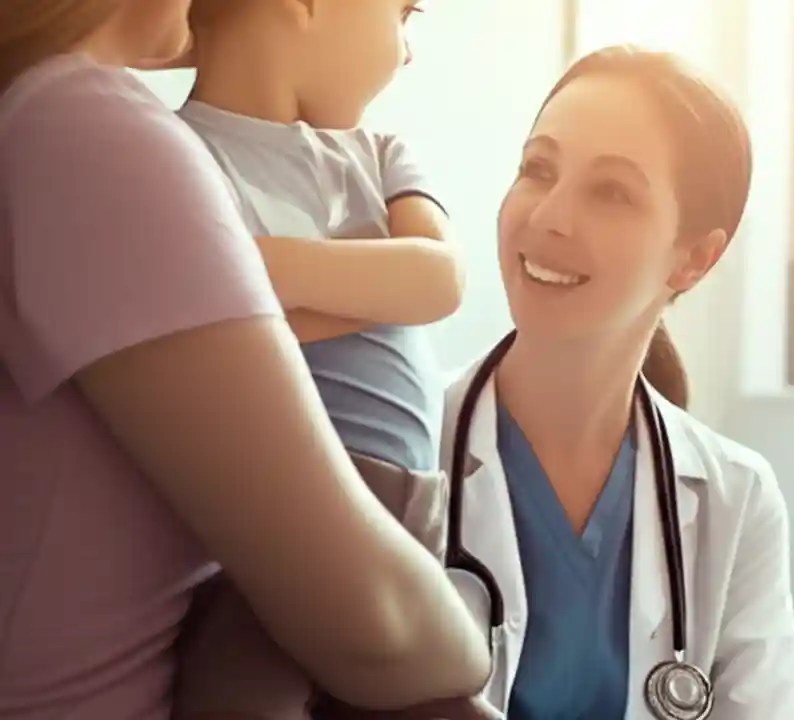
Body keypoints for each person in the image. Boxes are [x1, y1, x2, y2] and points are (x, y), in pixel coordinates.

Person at [0, 2, 488, 718]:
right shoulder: (89, 129)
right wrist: (478, 646)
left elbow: (438, 277)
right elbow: (375, 625)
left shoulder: (41, 119)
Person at [353, 45, 794, 719]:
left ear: (694, 259)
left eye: (611, 192)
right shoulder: (395, 453)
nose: (549, 217)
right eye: (538, 169)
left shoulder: (735, 502)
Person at [168, 1, 491, 717]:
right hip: (273, 517)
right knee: (248, 692)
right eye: (403, 13)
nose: (408, 52)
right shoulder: (172, 162)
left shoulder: (381, 154)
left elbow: (438, 279)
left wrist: (261, 266)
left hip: (411, 514)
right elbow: (207, 337)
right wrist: (371, 284)